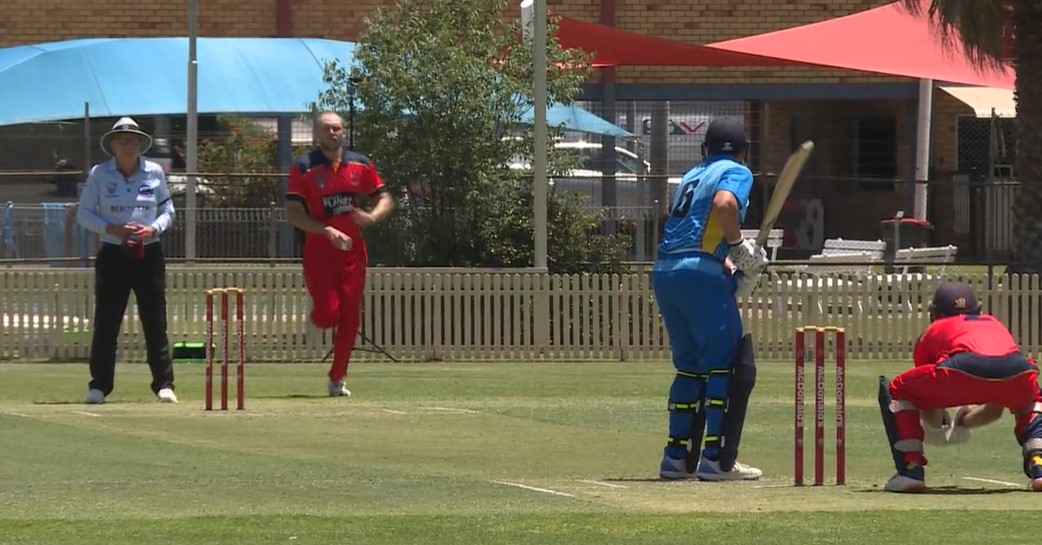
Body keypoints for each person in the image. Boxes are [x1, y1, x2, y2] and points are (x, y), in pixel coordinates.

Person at [651, 119, 768, 481]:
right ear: (745, 151)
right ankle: (717, 460)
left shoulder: (689, 176)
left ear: (704, 149)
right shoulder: (737, 171)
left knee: (688, 365)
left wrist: (732, 266)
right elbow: (724, 203)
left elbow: (692, 230)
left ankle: (675, 458)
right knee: (724, 364)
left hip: (667, 272)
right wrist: (738, 246)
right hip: (700, 273)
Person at [878, 282, 1042, 493]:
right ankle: (1038, 464)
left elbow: (928, 403)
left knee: (898, 389)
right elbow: (996, 406)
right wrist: (964, 422)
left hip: (961, 368)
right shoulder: (994, 323)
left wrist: (941, 427)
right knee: (1032, 399)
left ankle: (911, 469)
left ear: (936, 313)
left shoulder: (934, 330)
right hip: (1017, 370)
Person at [285, 111, 395, 397]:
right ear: (316, 134)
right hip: (319, 251)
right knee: (327, 314)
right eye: (327, 129)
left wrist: (371, 217)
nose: (333, 133)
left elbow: (384, 197)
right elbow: (294, 213)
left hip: (352, 253)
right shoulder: (304, 167)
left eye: (337, 128)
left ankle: (337, 378)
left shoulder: (360, 163)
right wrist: (325, 231)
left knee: (350, 317)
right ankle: (320, 318)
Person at [76, 117, 177, 404]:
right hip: (113, 253)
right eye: (122, 140)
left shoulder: (155, 171)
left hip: (149, 252)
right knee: (107, 320)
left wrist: (152, 229)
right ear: (113, 145)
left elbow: (168, 210)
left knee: (155, 320)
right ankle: (99, 386)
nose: (128, 144)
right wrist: (112, 229)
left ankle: (164, 384)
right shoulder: (99, 174)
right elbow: (85, 214)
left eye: (133, 140)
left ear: (140, 144)